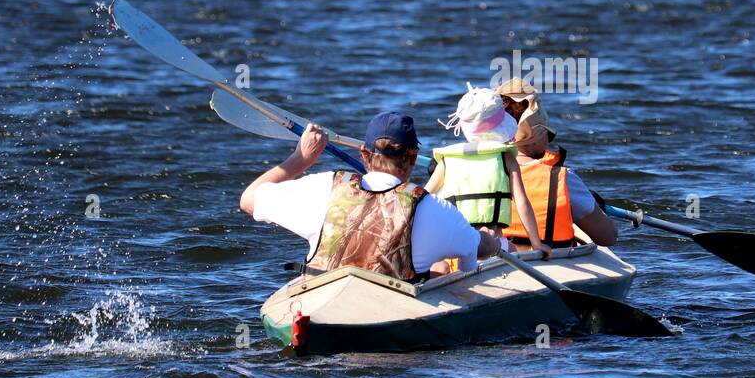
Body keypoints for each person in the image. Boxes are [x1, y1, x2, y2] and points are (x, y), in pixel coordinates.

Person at [241, 111, 501, 281]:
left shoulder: (324, 186)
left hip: (319, 304)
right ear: (412, 159)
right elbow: (477, 247)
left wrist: (301, 159)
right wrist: (495, 244)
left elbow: (248, 199)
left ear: (364, 155)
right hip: (391, 322)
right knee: (440, 272)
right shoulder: (435, 208)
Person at [426, 85, 549, 255]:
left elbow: (422, 199)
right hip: (493, 243)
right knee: (513, 250)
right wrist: (536, 244)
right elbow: (522, 203)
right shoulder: (506, 158)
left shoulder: (447, 160)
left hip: (454, 245)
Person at [496, 78, 619, 248]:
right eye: (548, 134)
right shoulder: (563, 179)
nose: (548, 141)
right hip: (546, 260)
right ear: (535, 134)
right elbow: (609, 237)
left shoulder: (469, 170)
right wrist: (594, 206)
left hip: (488, 259)